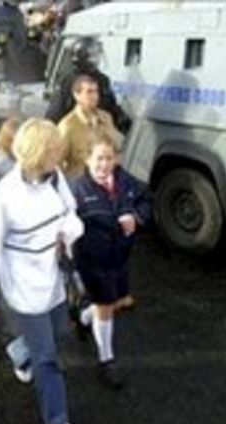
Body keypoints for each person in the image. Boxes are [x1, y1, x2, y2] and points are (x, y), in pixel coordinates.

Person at [0, 118, 84, 424]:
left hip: (53, 278)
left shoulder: (56, 178)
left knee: (60, 333)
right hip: (24, 286)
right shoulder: (5, 195)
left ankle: (19, 352)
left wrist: (69, 231)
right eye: (55, 150)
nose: (61, 156)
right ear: (40, 152)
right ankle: (57, 417)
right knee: (48, 357)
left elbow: (71, 211)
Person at [70, 132, 151, 389]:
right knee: (106, 304)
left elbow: (146, 199)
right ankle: (107, 360)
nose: (104, 164)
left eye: (109, 158)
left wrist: (136, 217)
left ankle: (83, 317)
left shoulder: (125, 180)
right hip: (91, 259)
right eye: (99, 158)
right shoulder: (76, 189)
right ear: (87, 158)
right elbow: (65, 222)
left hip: (119, 256)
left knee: (110, 303)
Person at [45, 36, 132, 135]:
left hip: (99, 132)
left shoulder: (103, 80)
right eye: (93, 56)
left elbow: (111, 107)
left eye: (97, 55)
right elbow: (55, 112)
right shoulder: (69, 81)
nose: (97, 59)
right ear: (82, 56)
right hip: (76, 133)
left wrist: (125, 124)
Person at [57, 74, 122, 179]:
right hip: (80, 185)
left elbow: (117, 148)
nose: (94, 96)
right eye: (89, 92)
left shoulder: (105, 118)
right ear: (76, 95)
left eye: (96, 91)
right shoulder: (68, 126)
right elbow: (57, 163)